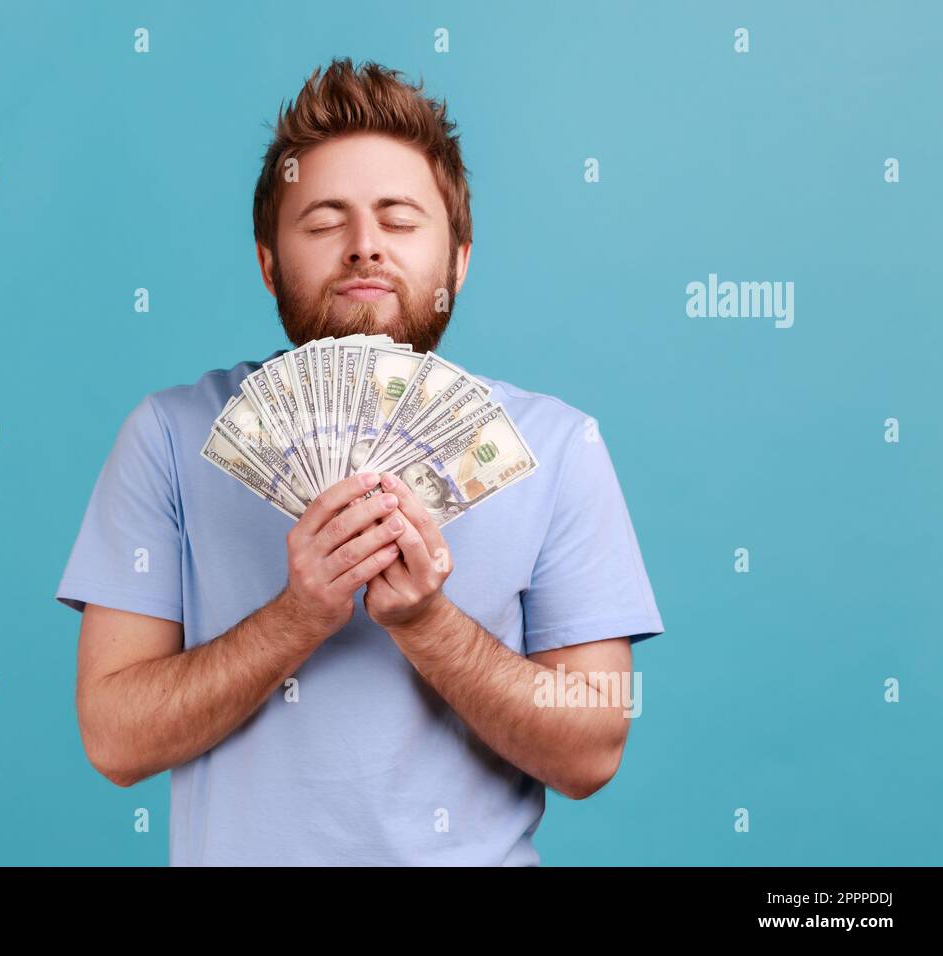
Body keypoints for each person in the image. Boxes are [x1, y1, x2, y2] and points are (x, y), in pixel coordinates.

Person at [55, 58, 664, 865]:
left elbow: (592, 753)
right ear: (270, 262)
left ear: (460, 260)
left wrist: (427, 625)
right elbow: (113, 739)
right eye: (324, 221)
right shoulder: (170, 436)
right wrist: (297, 616)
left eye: (400, 220)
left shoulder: (558, 448)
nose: (364, 248)